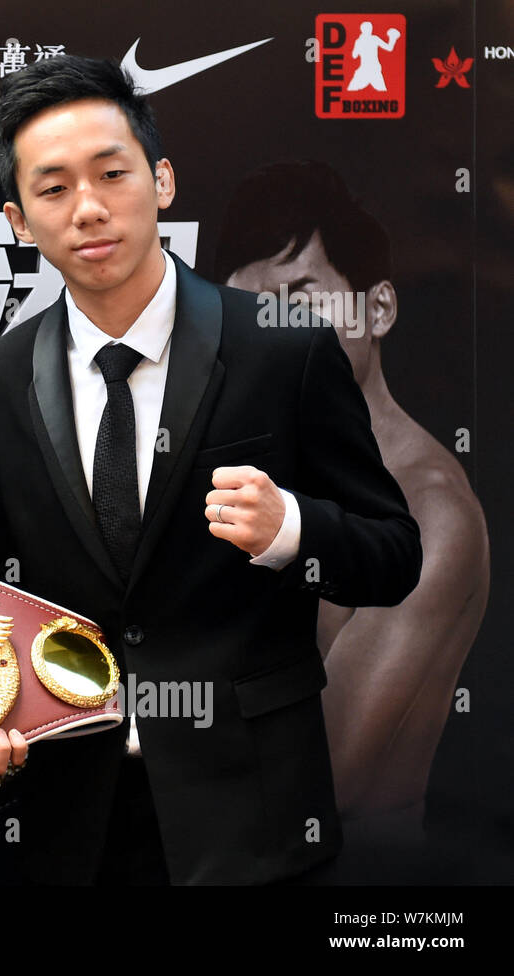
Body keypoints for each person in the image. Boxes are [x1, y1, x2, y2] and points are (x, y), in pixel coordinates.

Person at [0, 56, 422, 884]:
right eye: (54, 188)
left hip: (255, 816)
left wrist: (294, 531)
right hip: (74, 819)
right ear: (18, 220)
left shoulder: (283, 348)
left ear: (162, 179)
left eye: (112, 173)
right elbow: (3, 591)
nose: (90, 208)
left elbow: (394, 557)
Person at [216, 160, 489, 842]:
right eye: (246, 310)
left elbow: (324, 779)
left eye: (300, 298)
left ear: (380, 308)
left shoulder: (435, 514)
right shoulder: (251, 469)